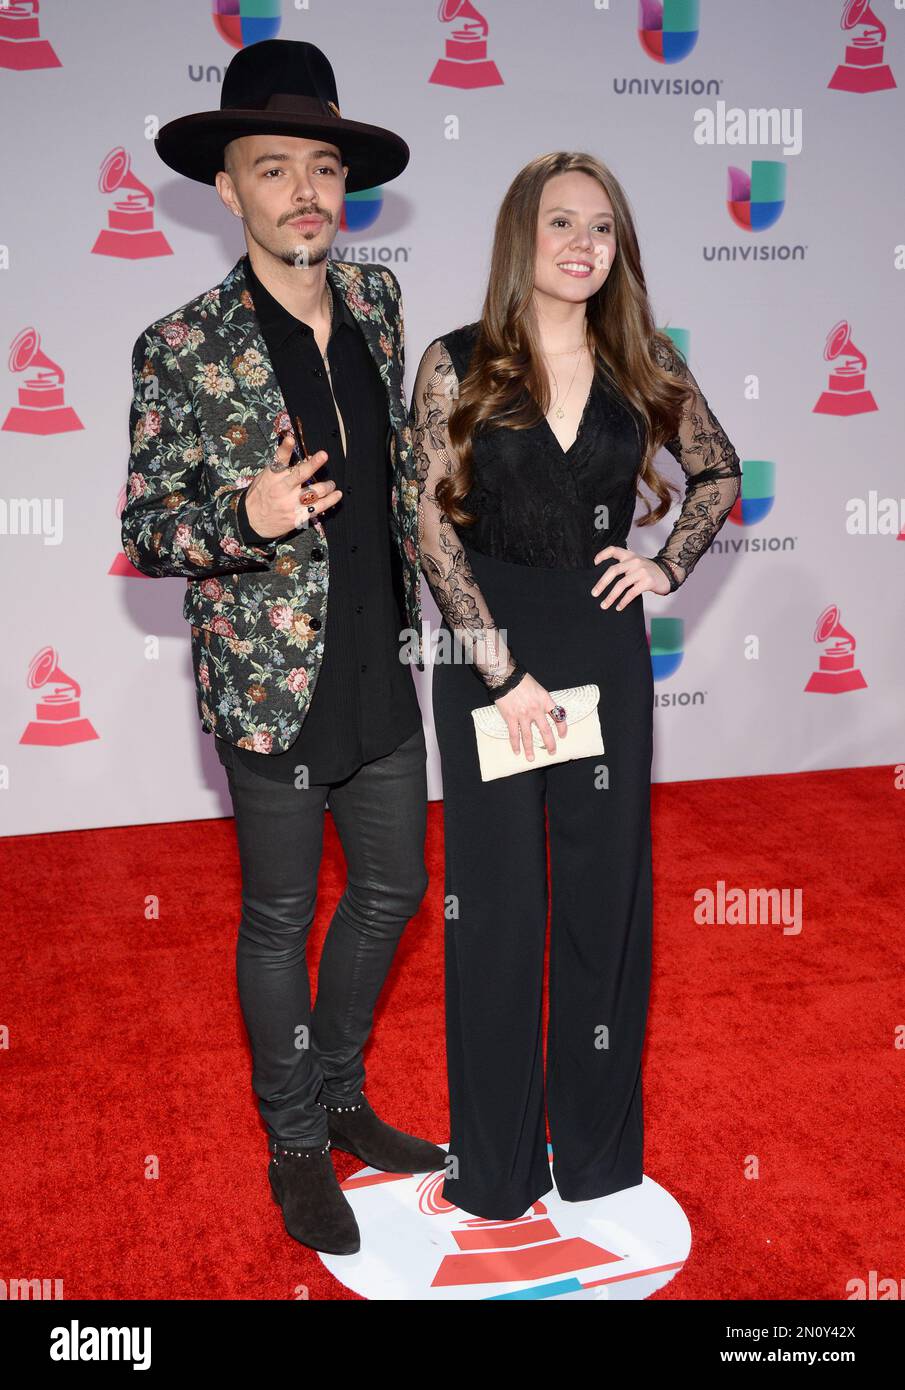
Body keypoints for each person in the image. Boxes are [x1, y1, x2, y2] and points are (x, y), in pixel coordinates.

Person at [122, 40, 444, 1257]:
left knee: (394, 887)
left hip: (378, 661)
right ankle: (296, 1137)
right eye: (274, 169)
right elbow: (148, 528)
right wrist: (239, 520)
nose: (304, 190)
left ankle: (345, 1088)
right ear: (229, 189)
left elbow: (406, 470)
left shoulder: (375, 300)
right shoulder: (180, 345)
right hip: (267, 685)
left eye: (322, 167)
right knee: (277, 915)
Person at [410, 151, 742, 1221]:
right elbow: (427, 526)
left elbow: (720, 471)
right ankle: (496, 1170)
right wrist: (499, 670)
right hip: (489, 658)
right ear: (521, 236)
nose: (580, 244)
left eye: (600, 227)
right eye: (560, 223)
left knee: (605, 905)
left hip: (601, 646)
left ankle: (595, 1155)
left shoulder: (640, 363)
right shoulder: (454, 363)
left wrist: (666, 561)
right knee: (495, 911)